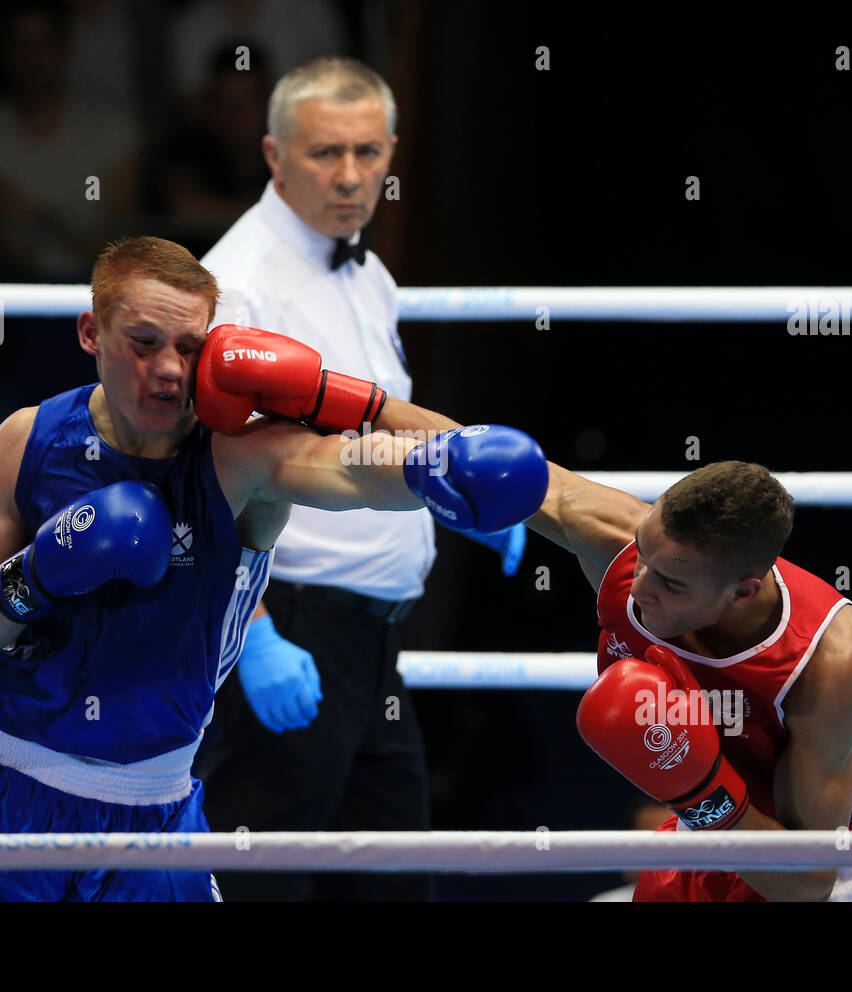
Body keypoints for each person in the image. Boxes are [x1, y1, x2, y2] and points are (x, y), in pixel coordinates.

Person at [0, 235, 547, 902]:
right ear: (92, 333)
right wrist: (40, 574)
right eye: (144, 343)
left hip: (155, 818)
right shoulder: (29, 440)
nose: (169, 369)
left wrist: (435, 466)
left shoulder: (238, 457)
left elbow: (345, 468)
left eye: (190, 348)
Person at [195, 56, 523, 902]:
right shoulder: (239, 287)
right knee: (259, 889)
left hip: (375, 646)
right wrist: (256, 634)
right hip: (292, 622)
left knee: (392, 886)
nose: (350, 176)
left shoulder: (367, 273)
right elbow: (205, 475)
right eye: (324, 154)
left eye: (368, 153)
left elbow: (376, 433)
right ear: (273, 154)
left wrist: (458, 505)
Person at [528, 459, 852, 901]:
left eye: (671, 584)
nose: (639, 588)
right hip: (694, 839)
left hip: (811, 873)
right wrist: (440, 461)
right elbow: (479, 456)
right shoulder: (621, 542)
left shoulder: (829, 661)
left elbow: (808, 881)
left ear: (744, 592)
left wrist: (702, 794)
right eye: (643, 557)